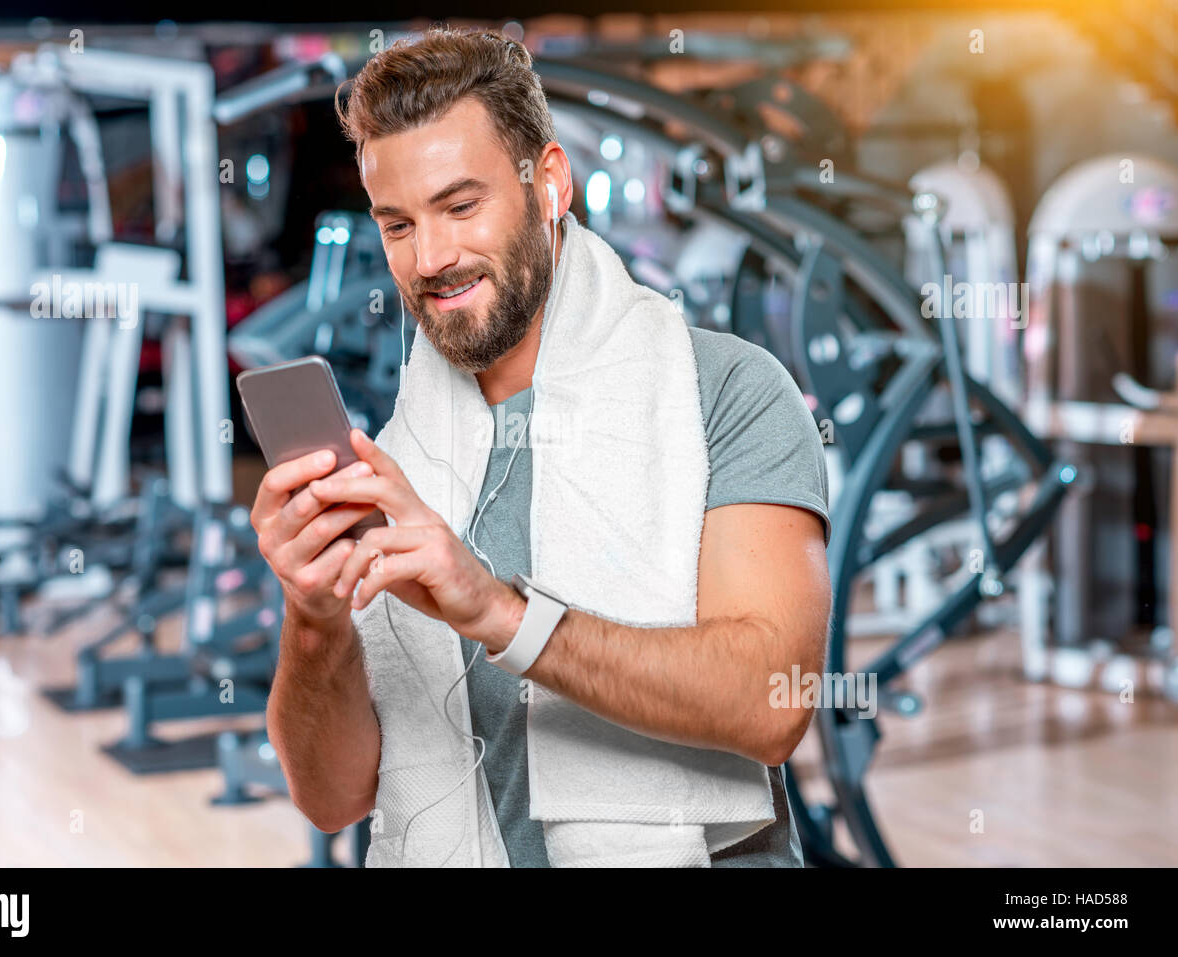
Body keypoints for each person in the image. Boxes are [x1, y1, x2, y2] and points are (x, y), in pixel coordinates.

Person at [254, 25, 832, 867]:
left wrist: (496, 611)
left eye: (461, 206)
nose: (432, 257)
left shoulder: (724, 392)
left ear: (548, 182)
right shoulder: (397, 456)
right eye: (398, 224)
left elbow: (773, 703)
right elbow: (333, 795)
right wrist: (311, 617)